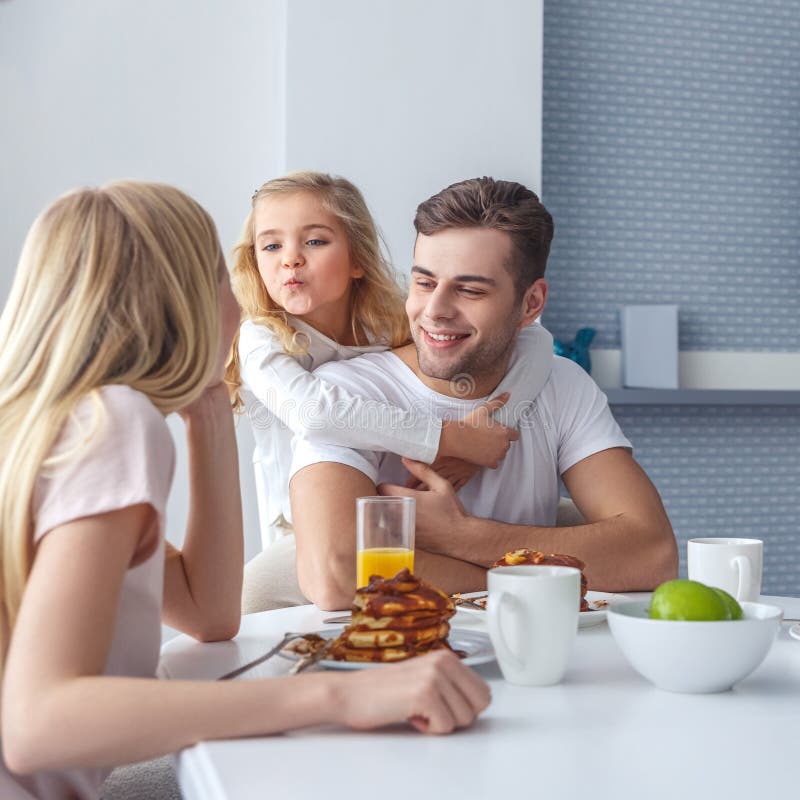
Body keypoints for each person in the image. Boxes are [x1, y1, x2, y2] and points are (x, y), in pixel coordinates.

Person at [0, 182, 491, 800]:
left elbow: (209, 616)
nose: (244, 301)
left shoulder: (60, 423)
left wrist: (209, 411)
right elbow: (36, 725)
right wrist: (337, 695)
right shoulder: (113, 424)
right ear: (181, 302)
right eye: (224, 278)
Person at [288, 177, 679, 610]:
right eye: (423, 283)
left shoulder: (561, 385)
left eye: (470, 289)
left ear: (531, 304)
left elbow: (652, 553)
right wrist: (524, 578)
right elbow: (337, 575)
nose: (434, 310)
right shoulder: (345, 395)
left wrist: (463, 534)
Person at [225, 172, 555, 611]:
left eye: (315, 242)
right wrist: (450, 438)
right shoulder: (260, 339)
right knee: (259, 592)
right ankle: (518, 583)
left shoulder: (388, 323)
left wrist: (492, 430)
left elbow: (536, 341)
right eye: (271, 246)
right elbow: (313, 413)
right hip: (314, 527)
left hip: (409, 501)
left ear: (358, 258)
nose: (290, 260)